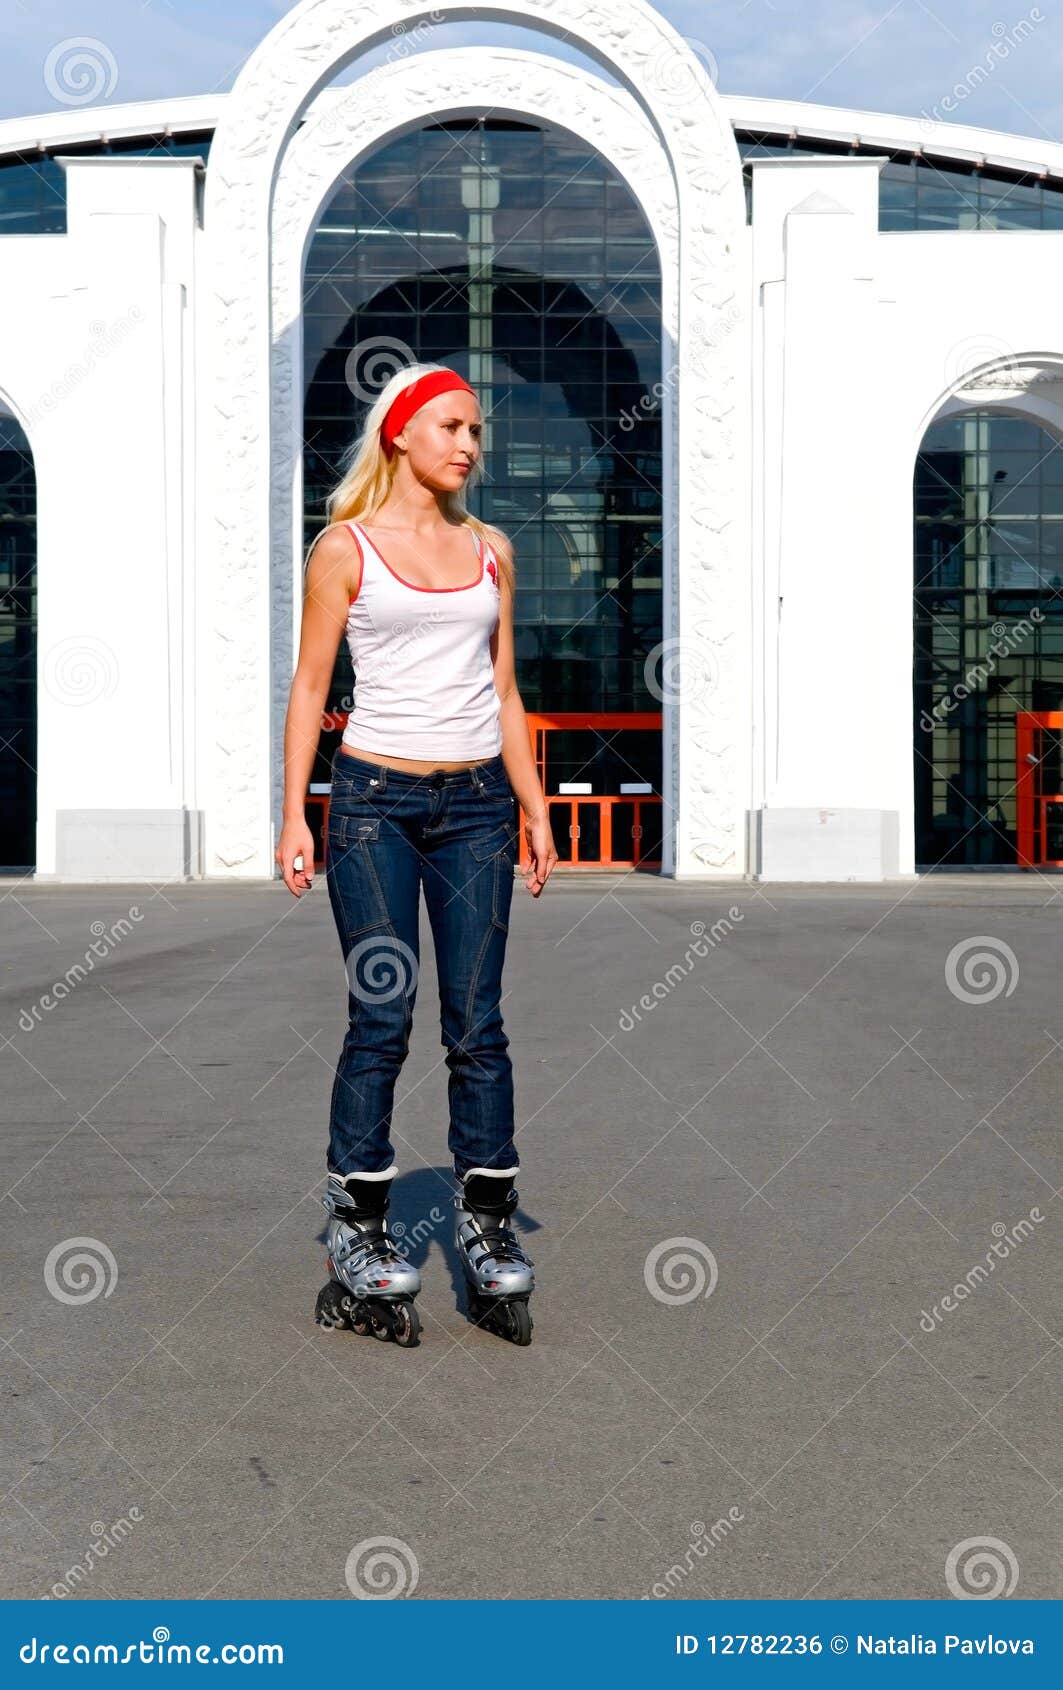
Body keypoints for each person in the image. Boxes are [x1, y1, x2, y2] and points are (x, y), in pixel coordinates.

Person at [275, 364, 557, 1346]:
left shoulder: (491, 551)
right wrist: (295, 814)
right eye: (450, 425)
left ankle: (483, 1226)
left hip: (477, 804)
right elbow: (311, 687)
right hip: (370, 808)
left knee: (477, 1021)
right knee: (381, 1015)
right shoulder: (344, 550)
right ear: (400, 433)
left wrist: (532, 805)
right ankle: (358, 1231)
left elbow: (506, 690)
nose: (469, 444)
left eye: (476, 429)